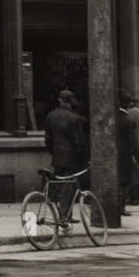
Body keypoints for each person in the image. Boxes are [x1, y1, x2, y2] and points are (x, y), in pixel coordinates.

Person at [44, 89, 89, 221]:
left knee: (59, 185)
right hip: (72, 158)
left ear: (59, 100)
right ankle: (65, 215)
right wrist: (82, 156)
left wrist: (53, 152)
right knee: (68, 187)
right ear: (71, 102)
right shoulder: (75, 118)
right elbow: (79, 141)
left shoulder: (50, 116)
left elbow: (48, 139)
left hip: (57, 157)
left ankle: (63, 214)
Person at [122, 90, 139, 206]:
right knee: (138, 172)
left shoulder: (123, 113)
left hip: (126, 147)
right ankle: (136, 196)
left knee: (129, 172)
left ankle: (128, 196)